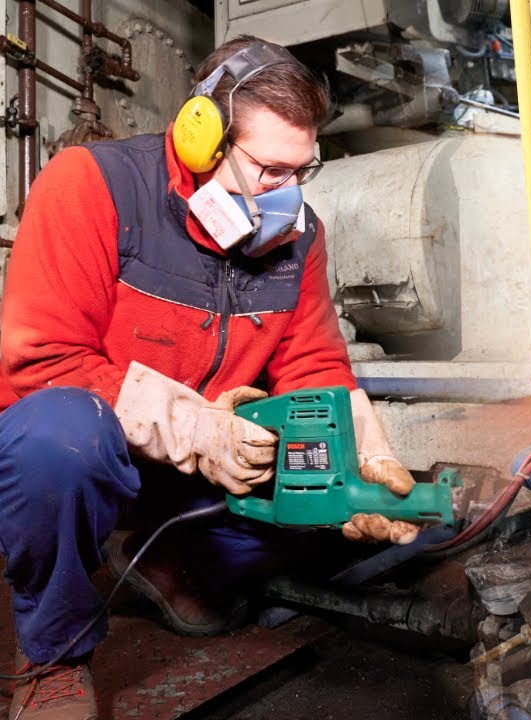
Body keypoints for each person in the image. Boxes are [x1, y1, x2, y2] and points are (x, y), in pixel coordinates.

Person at [0, 36, 421, 719]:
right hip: (97, 458)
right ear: (202, 138)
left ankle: (168, 554)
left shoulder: (298, 235)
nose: (287, 194)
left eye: (301, 170)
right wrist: (197, 428)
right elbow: (42, 362)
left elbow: (313, 366)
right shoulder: (92, 185)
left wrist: (359, 460)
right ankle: (53, 656)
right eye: (268, 169)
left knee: (319, 502)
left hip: (202, 473)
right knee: (58, 441)